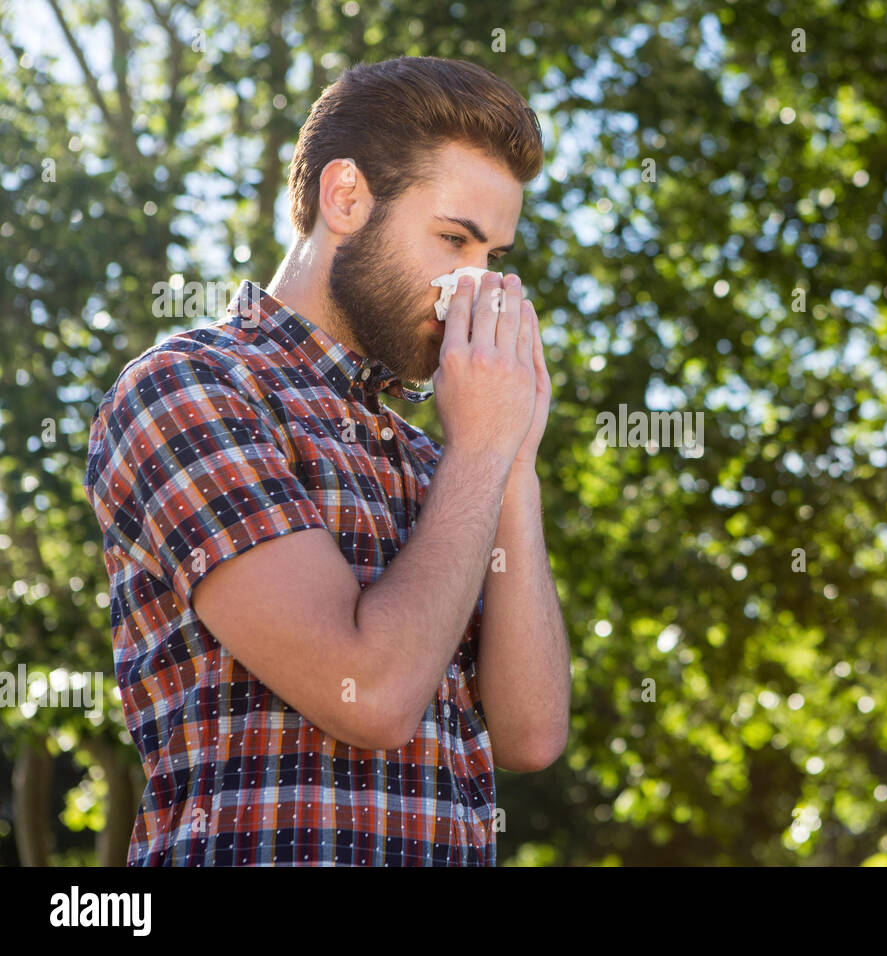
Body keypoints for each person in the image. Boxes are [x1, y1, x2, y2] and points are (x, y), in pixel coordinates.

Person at [81, 56, 570, 866]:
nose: (473, 288)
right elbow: (370, 694)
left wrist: (510, 460)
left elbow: (531, 733)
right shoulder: (194, 389)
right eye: (453, 240)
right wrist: (481, 448)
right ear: (345, 198)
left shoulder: (437, 461)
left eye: (493, 257)